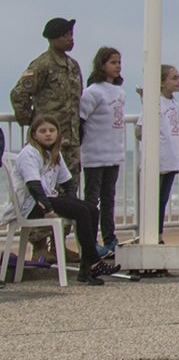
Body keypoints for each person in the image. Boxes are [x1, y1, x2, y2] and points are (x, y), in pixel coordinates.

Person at [14, 115, 112, 283]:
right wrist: (48, 209)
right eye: (43, 131)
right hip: (30, 205)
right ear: (34, 134)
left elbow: (67, 183)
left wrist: (73, 202)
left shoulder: (54, 154)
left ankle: (86, 269)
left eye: (52, 130)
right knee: (81, 212)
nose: (48, 134)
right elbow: (33, 185)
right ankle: (95, 263)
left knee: (91, 210)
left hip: (46, 199)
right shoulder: (29, 153)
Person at [13, 17, 84, 183]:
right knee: (47, 186)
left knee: (70, 187)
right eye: (65, 35)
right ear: (52, 39)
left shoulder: (73, 66)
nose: (70, 39)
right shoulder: (41, 65)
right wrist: (32, 121)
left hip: (70, 142)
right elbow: (19, 94)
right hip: (47, 142)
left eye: (71, 34)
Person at [77, 47, 125, 261]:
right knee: (91, 200)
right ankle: (90, 242)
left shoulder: (119, 92)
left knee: (109, 199)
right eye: (113, 62)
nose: (117, 66)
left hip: (113, 153)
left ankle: (109, 238)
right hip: (94, 155)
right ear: (102, 65)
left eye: (119, 62)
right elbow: (80, 120)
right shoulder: (93, 92)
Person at [143, 64, 179, 236]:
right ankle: (152, 234)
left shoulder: (174, 103)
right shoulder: (155, 102)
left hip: (171, 159)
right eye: (174, 78)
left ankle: (158, 234)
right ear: (161, 82)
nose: (178, 81)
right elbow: (140, 129)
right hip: (159, 160)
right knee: (155, 201)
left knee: (163, 200)